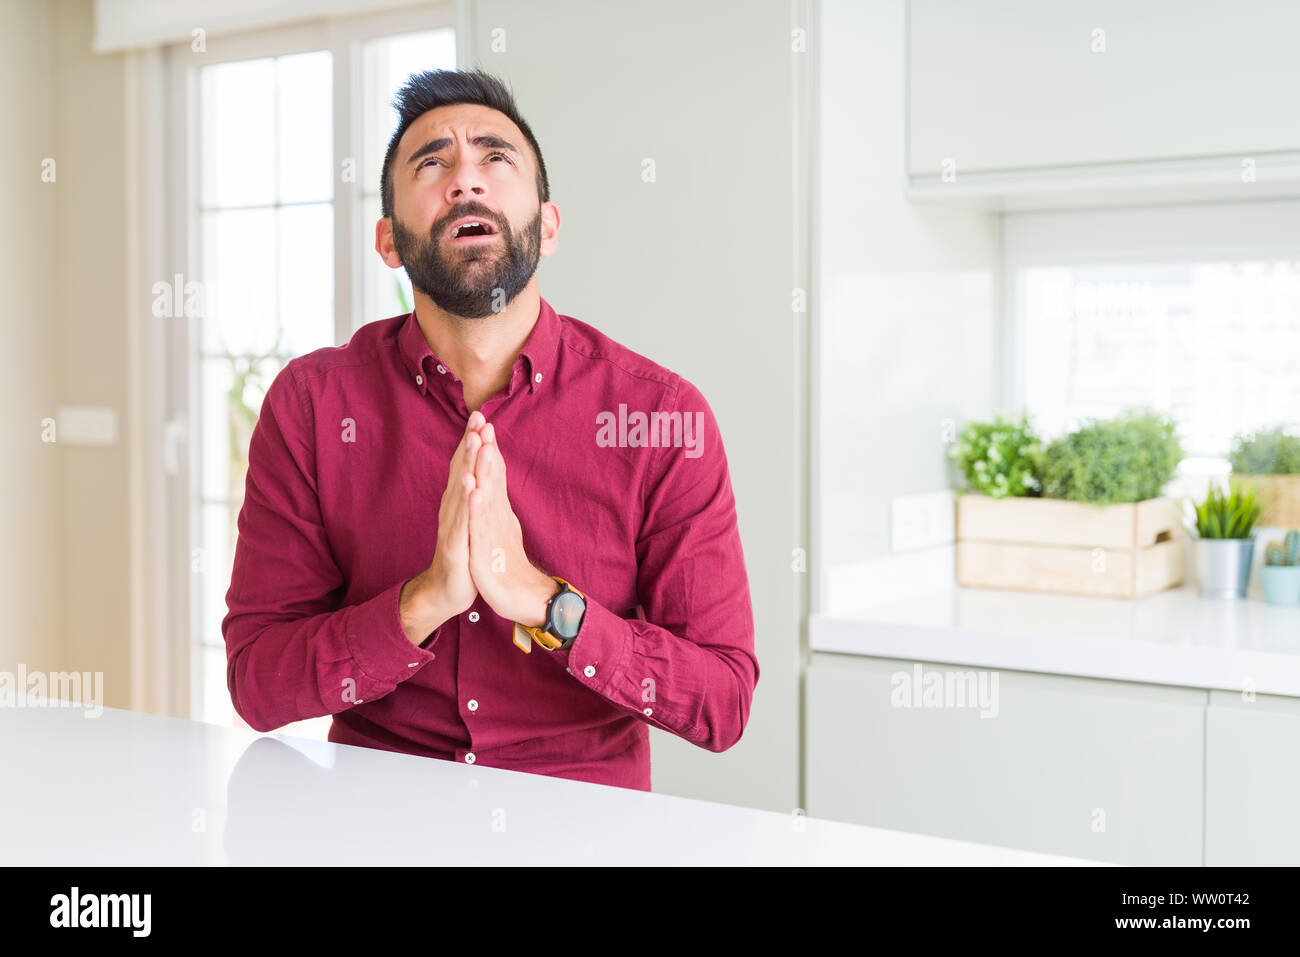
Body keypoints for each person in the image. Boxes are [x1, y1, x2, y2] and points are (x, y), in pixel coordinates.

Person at [222, 68, 758, 791]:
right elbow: (257, 682)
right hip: (372, 821)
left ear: (549, 224)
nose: (465, 181)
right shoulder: (312, 406)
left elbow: (722, 703)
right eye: (433, 162)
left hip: (584, 830)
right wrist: (423, 602)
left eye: (495, 159)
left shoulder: (661, 419)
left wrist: (544, 601)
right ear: (388, 239)